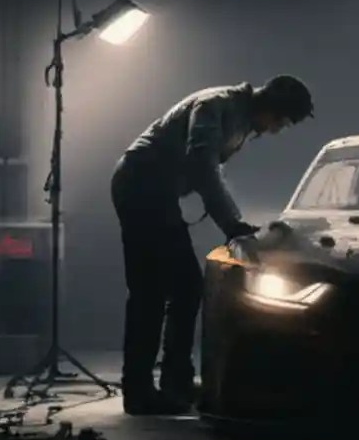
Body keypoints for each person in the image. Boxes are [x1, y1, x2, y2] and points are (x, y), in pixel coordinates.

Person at [111, 76, 314, 414]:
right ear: (271, 108)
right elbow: (203, 166)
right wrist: (232, 224)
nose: (277, 130)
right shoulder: (217, 106)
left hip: (152, 189)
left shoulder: (236, 115)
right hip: (141, 186)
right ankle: (143, 389)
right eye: (281, 122)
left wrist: (232, 219)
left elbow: (208, 171)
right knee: (155, 290)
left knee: (180, 287)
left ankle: (169, 382)